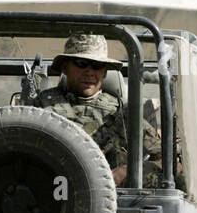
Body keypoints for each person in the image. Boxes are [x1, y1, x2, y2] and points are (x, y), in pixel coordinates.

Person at [36, 31, 163, 186]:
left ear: (104, 72)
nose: (89, 72)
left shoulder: (122, 113)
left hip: (111, 202)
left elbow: (166, 161)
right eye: (81, 63)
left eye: (97, 66)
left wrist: (128, 173)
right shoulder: (41, 108)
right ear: (65, 67)